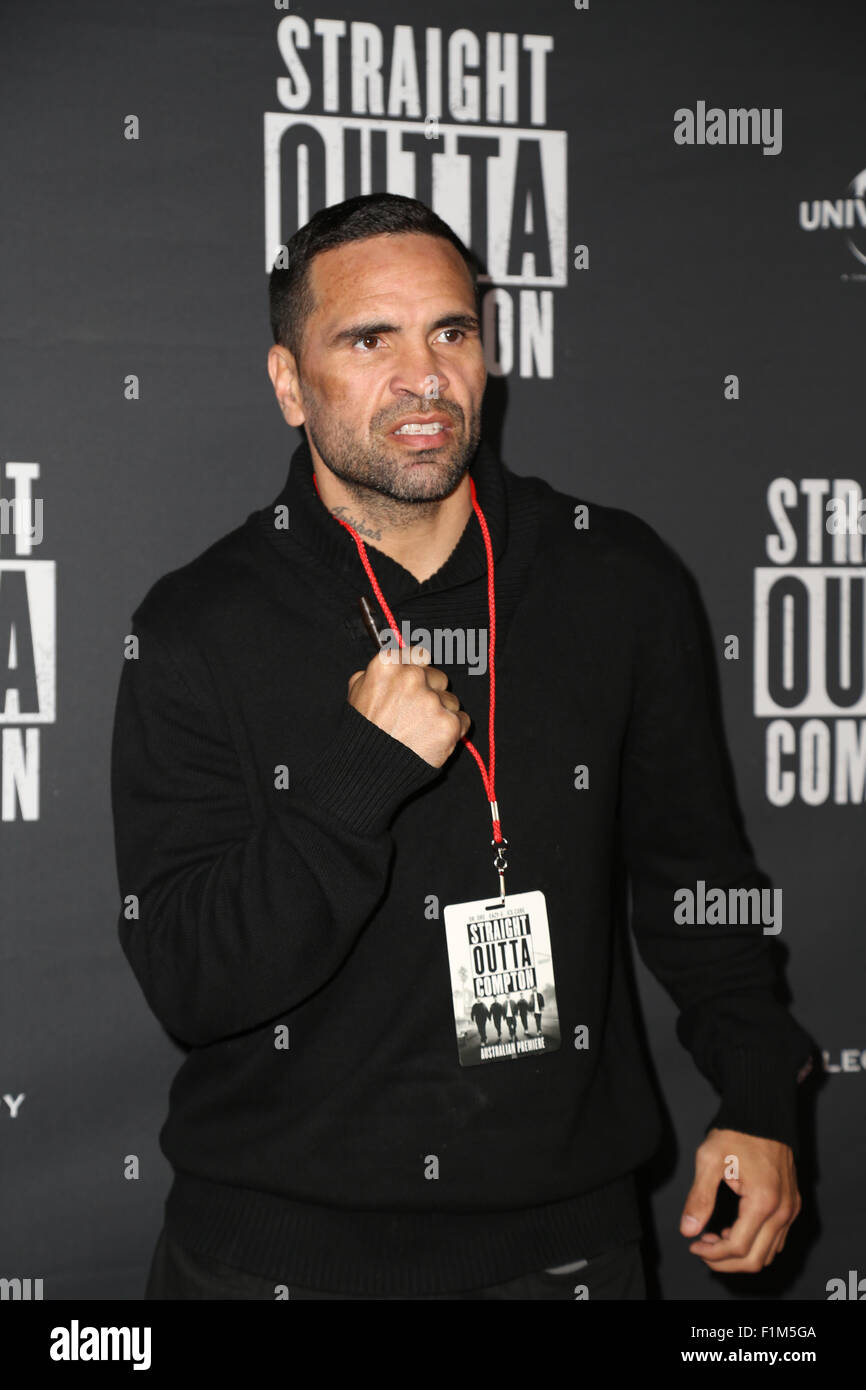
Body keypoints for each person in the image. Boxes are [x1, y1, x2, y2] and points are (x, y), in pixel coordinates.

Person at [111, 192, 815, 1302]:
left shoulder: (613, 579)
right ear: (289, 383)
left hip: (560, 1251)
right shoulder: (198, 624)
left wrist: (759, 1095)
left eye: (451, 331)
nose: (423, 375)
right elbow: (192, 978)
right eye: (367, 339)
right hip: (266, 1259)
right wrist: (355, 779)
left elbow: (700, 884)